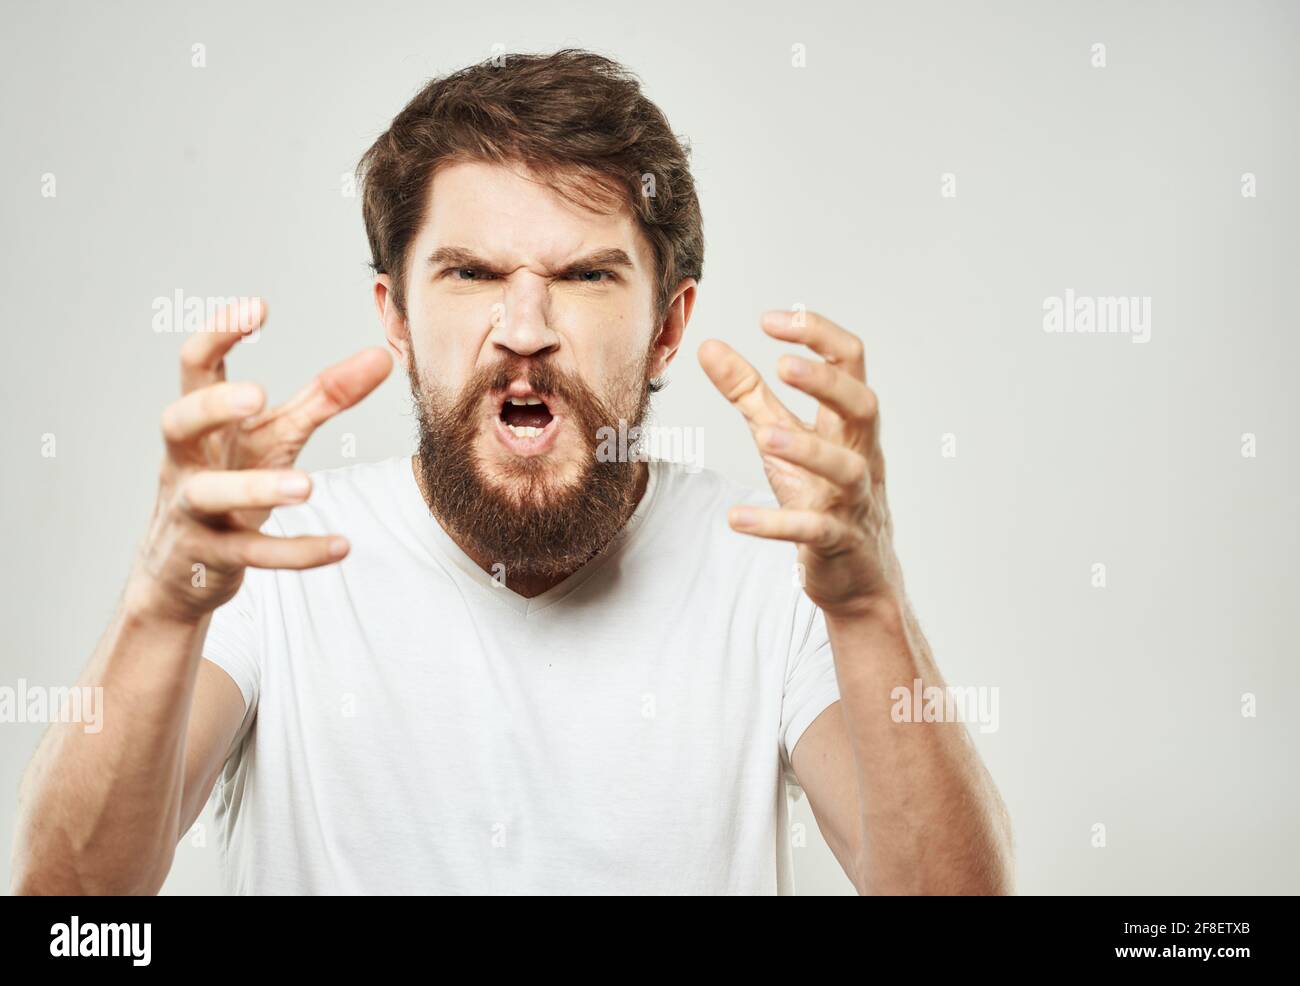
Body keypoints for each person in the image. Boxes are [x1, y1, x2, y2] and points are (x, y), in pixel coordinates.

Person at [11, 49, 1012, 895]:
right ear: (395, 317)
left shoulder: (772, 567)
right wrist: (162, 603)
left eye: (583, 276)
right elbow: (69, 911)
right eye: (471, 273)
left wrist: (870, 605)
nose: (525, 331)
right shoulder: (267, 562)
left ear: (667, 327)